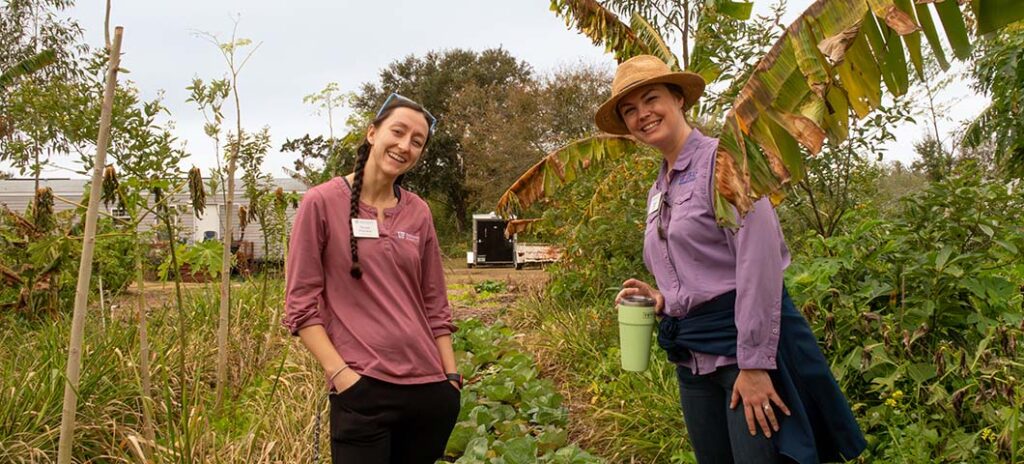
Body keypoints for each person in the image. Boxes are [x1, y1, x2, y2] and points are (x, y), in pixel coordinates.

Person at [602, 55, 866, 463]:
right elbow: (699, 269)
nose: (642, 115)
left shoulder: (725, 161)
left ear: (678, 99)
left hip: (742, 354)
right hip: (693, 358)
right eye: (629, 110)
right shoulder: (659, 187)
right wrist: (663, 297)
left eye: (650, 99)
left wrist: (756, 364)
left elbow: (759, 266)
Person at [283, 93, 461, 464]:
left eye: (417, 141)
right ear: (372, 133)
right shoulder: (321, 203)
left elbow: (435, 304)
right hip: (362, 390)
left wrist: (451, 380)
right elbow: (300, 306)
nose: (405, 146)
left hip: (428, 391)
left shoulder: (418, 212)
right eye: (397, 132)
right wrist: (342, 375)